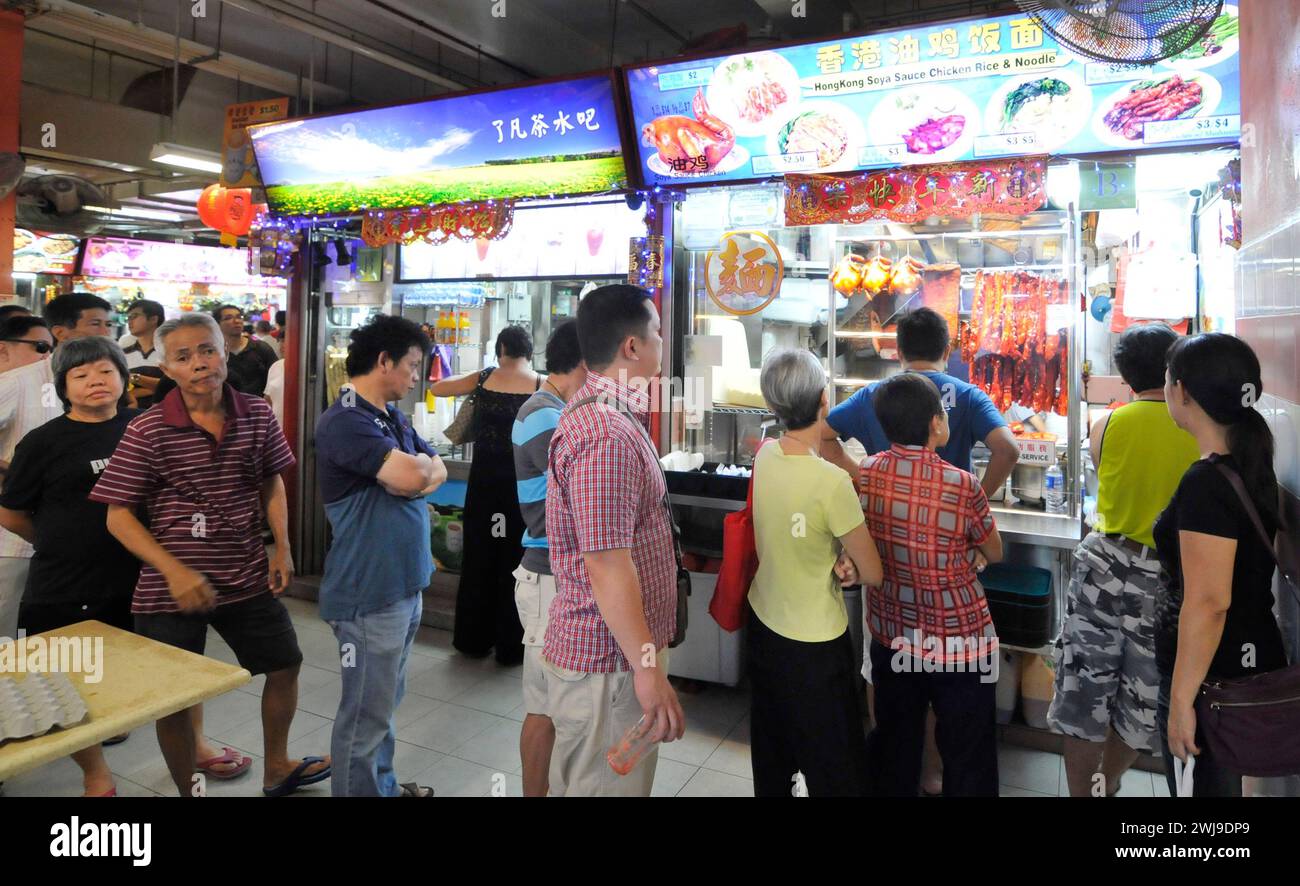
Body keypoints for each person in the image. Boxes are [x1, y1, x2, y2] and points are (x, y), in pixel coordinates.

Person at [90, 312, 331, 797]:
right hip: (167, 588)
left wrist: (281, 548)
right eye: (183, 357)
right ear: (166, 367)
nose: (199, 363)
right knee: (176, 696)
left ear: (225, 352)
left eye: (207, 350)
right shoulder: (148, 429)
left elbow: (272, 481)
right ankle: (187, 791)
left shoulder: (257, 413)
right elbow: (118, 516)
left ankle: (278, 767)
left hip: (243, 573)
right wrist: (174, 571)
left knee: (284, 663)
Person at [822, 306, 1017, 792]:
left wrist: (858, 484)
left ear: (900, 350)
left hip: (893, 621)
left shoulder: (871, 439)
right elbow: (1007, 458)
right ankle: (941, 774)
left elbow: (825, 437)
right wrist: (978, 510)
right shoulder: (964, 476)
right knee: (967, 744)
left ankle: (913, 775)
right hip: (957, 634)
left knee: (894, 729)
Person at [543, 284, 684, 797]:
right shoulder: (605, 432)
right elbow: (606, 564)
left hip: (619, 655)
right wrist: (647, 670)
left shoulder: (613, 415)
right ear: (632, 347)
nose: (662, 342)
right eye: (658, 332)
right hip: (610, 664)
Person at [1049, 323, 1200, 797]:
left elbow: (1100, 470)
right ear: (1174, 370)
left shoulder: (1107, 423)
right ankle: (1107, 781)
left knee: (1082, 695)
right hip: (1166, 578)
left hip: (1104, 566)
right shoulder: (1196, 427)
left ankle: (1082, 793)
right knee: (1144, 696)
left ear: (1127, 375)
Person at [0, 337, 141, 796]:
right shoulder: (43, 441)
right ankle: (96, 774)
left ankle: (118, 728)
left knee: (129, 671)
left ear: (123, 377)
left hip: (137, 579)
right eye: (80, 375)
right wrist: (55, 542)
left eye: (105, 371)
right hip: (63, 582)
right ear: (63, 387)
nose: (95, 381)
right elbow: (11, 511)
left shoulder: (144, 428)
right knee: (66, 678)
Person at [315, 314, 446, 797]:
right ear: (383, 360)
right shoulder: (346, 421)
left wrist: (417, 475)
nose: (416, 376)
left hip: (401, 585)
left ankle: (382, 789)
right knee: (365, 713)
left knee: (386, 699)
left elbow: (435, 470)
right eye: (412, 365)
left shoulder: (391, 418)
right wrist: (416, 477)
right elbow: (416, 478)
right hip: (368, 590)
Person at [1154, 333, 1288, 797]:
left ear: (1183, 391)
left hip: (1213, 677)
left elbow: (1209, 602)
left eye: (1168, 380)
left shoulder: (1206, 482)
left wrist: (1180, 700)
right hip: (1247, 658)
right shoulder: (1252, 463)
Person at [859, 372, 1003, 797]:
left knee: (896, 746)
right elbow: (993, 551)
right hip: (959, 644)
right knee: (968, 755)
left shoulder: (867, 472)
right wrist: (971, 552)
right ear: (935, 424)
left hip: (893, 635)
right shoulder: (962, 483)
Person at [748, 348, 883, 797]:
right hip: (815, 647)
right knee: (834, 764)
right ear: (824, 401)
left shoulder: (764, 456)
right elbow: (874, 572)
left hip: (764, 627)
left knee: (774, 754)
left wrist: (837, 558)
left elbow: (793, 533)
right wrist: (850, 564)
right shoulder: (832, 482)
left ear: (772, 405)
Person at [429, 325, 539, 665]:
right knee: (514, 560)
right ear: (528, 350)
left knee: (480, 557)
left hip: (484, 485)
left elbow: (438, 387)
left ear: (501, 348)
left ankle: (473, 638)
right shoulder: (539, 383)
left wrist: (477, 376)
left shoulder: (485, 377)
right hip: (518, 489)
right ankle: (511, 645)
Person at [511, 319, 586, 797]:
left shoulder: (557, 408)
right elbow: (577, 499)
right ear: (585, 362)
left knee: (552, 706)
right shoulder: (546, 414)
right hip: (546, 579)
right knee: (547, 708)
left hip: (554, 578)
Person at [0, 316, 61, 642]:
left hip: (38, 535)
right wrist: (14, 472)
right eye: (40, 347)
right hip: (8, 540)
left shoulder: (50, 384)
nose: (46, 355)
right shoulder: (16, 383)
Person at [213, 304, 278, 396]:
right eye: (228, 318)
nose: (236, 321)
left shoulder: (261, 348)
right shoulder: (214, 352)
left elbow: (275, 379)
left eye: (239, 317)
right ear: (217, 324)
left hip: (258, 406)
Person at [123, 300, 166, 409]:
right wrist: (157, 387)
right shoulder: (123, 354)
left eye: (134, 316)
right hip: (131, 414)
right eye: (128, 318)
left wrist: (134, 378)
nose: (130, 321)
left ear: (153, 319)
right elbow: (121, 391)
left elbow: (179, 385)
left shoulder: (170, 352)